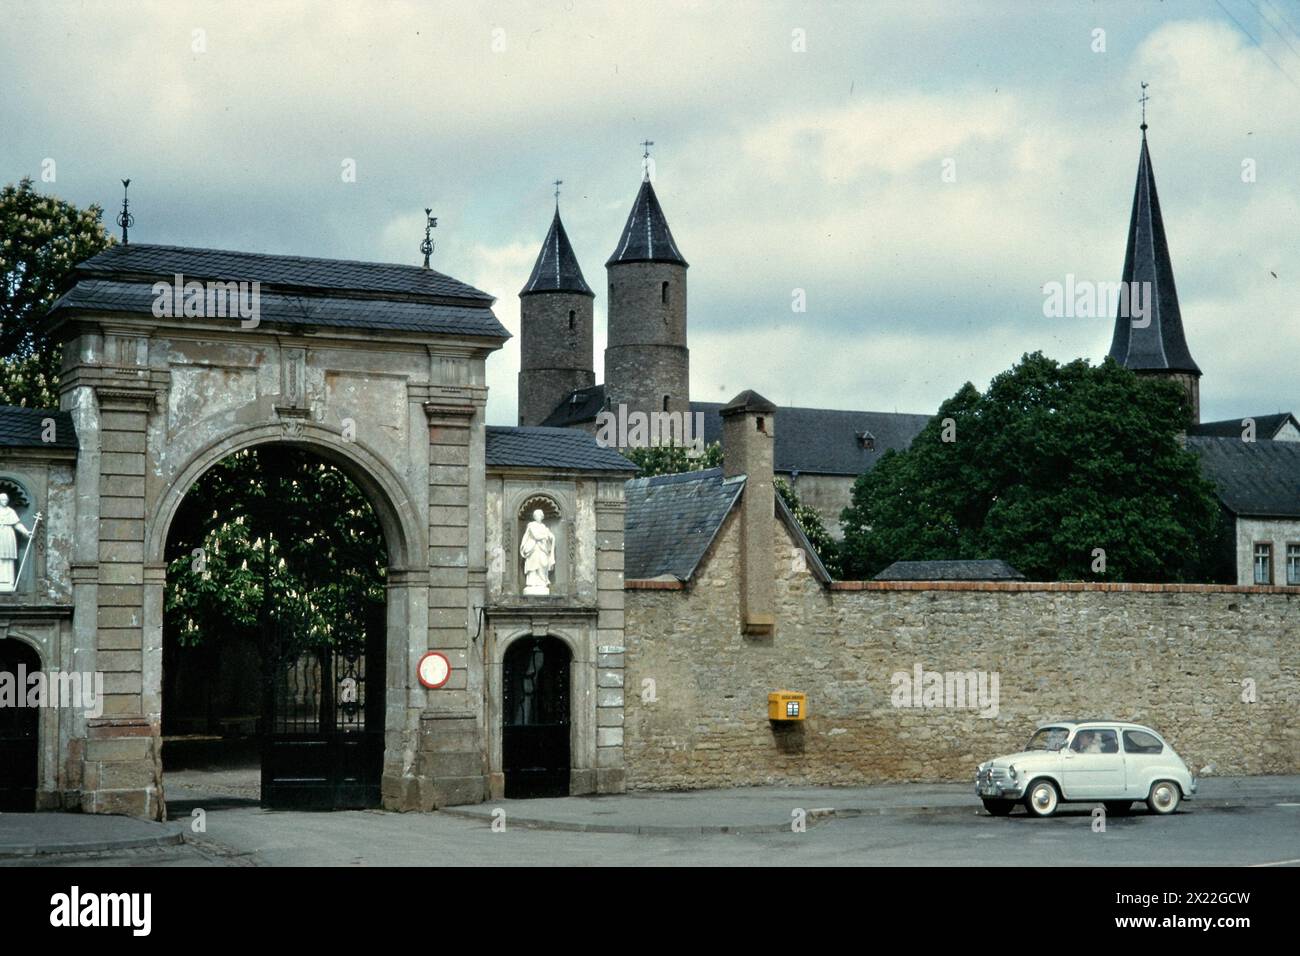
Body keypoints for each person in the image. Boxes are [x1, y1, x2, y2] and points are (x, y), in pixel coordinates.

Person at [0, 493, 39, 593]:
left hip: (8, 535)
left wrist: (26, 532)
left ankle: (9, 582)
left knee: (8, 559)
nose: (4, 501)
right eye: (2, 500)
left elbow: (17, 524)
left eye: (6, 500)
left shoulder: (10, 511)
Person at [519, 509, 556, 595]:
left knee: (543, 564)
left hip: (543, 549)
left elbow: (550, 536)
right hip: (533, 549)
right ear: (534, 517)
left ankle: (542, 582)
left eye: (540, 515)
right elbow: (536, 536)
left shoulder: (544, 527)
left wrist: (551, 537)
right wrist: (545, 535)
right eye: (536, 515)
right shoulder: (531, 525)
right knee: (533, 566)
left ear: (542, 517)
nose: (538, 516)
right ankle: (532, 584)